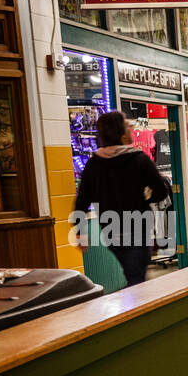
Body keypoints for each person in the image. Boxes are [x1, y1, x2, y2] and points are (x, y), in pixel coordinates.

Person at [73, 110, 171, 289]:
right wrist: (144, 199)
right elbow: (161, 192)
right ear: (120, 133)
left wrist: (80, 231)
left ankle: (135, 308)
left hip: (111, 230)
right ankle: (135, 312)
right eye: (127, 126)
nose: (131, 129)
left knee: (133, 273)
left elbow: (82, 201)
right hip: (138, 227)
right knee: (136, 279)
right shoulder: (139, 160)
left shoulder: (94, 164)